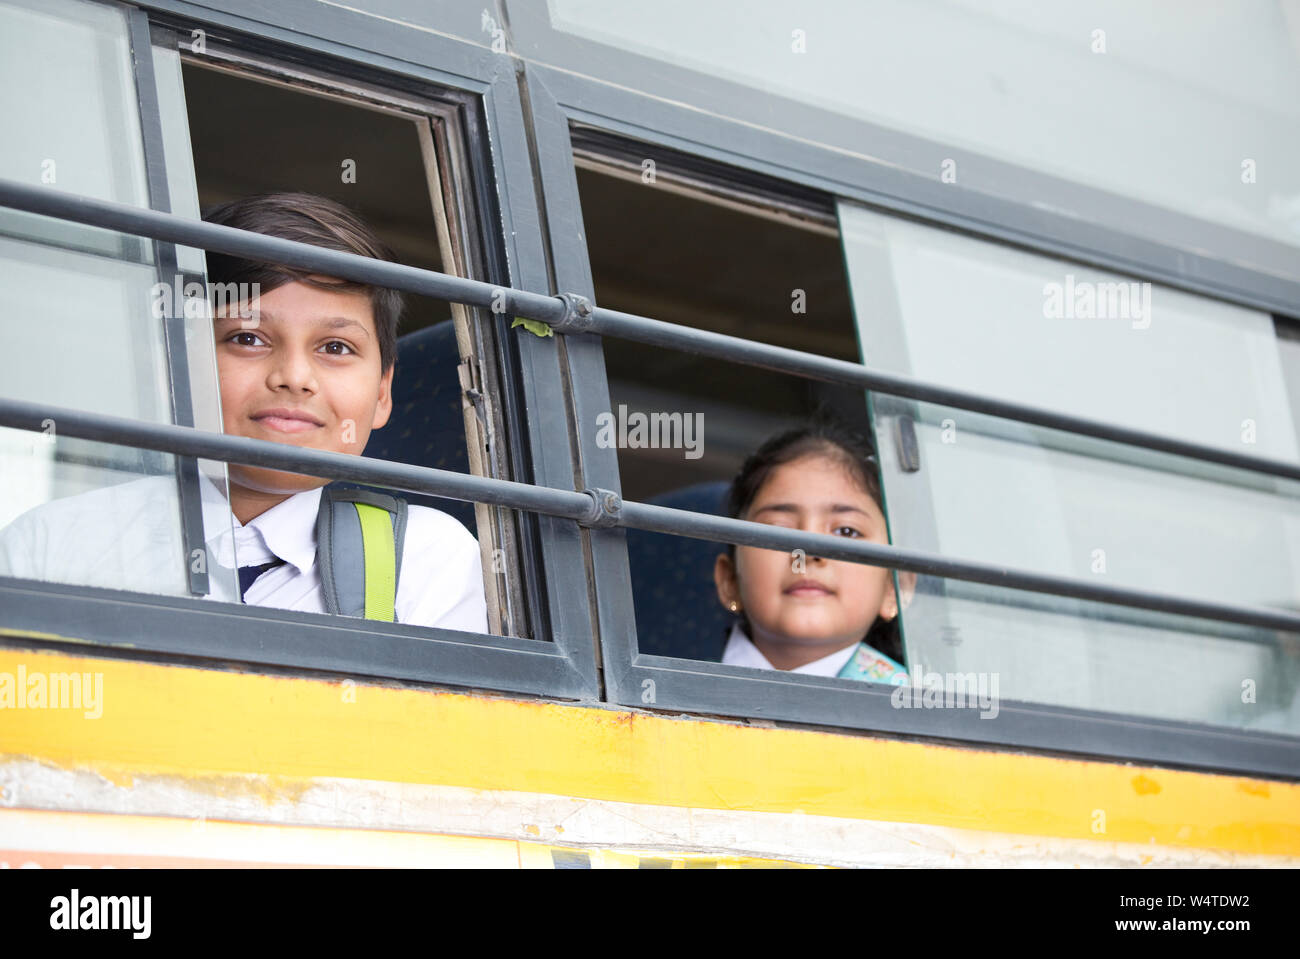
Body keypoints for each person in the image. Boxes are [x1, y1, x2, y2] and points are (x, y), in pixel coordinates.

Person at [0, 193, 487, 633]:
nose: (295, 376)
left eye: (335, 347)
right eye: (247, 338)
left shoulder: (423, 559)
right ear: (175, 366)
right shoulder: (56, 542)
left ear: (383, 392)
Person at [712, 422, 910, 683]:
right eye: (779, 530)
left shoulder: (928, 712)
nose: (808, 550)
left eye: (846, 532)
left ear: (893, 587)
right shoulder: (659, 702)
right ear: (730, 581)